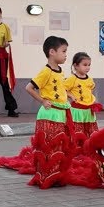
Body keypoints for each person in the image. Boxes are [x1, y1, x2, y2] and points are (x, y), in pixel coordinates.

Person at [22, 36, 72, 188]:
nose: (66, 55)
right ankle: (46, 176)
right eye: (63, 51)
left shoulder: (60, 71)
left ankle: (55, 176)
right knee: (48, 146)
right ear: (52, 52)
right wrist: (42, 100)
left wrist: (68, 95)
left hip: (60, 112)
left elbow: (60, 88)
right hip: (49, 114)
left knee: (59, 147)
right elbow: (29, 87)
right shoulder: (46, 71)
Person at [65, 51, 100, 138]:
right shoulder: (72, 79)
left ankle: (89, 144)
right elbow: (62, 90)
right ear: (76, 66)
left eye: (89, 65)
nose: (88, 67)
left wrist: (92, 100)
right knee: (78, 132)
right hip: (77, 110)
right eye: (85, 65)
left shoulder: (90, 80)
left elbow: (90, 90)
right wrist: (71, 95)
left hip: (88, 110)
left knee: (91, 132)